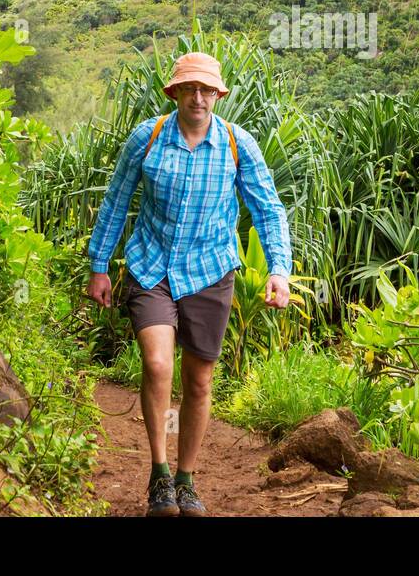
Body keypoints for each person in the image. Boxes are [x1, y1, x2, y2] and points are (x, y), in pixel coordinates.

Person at [84, 51, 293, 516]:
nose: (198, 97)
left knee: (198, 382)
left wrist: (279, 269)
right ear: (174, 92)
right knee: (158, 364)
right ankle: (159, 475)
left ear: (218, 95)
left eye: (207, 90)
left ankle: (186, 479)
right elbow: (116, 201)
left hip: (210, 272)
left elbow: (269, 209)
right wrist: (100, 266)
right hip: (151, 266)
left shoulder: (238, 145)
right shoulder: (148, 138)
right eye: (189, 88)